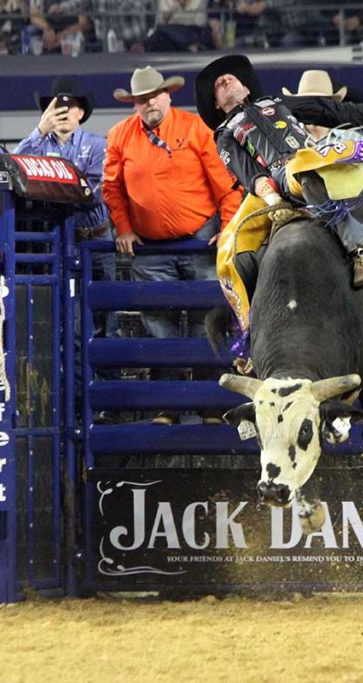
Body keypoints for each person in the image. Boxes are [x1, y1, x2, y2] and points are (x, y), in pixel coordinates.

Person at [103, 66, 242, 424]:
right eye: (142, 99)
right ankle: (169, 404)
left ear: (168, 96)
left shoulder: (195, 128)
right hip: (151, 247)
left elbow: (226, 185)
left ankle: (211, 403)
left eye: (154, 96)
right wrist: (124, 228)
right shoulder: (120, 136)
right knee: (158, 325)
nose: (149, 103)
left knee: (206, 321)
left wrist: (228, 227)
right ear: (134, 104)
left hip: (200, 238)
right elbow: (112, 188)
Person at [195, 55, 363, 287]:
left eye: (230, 78)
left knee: (322, 167)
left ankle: (359, 249)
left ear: (246, 88)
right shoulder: (225, 134)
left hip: (311, 160)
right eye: (219, 84)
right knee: (234, 252)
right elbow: (247, 172)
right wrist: (272, 198)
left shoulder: (277, 104)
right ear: (216, 103)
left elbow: (332, 111)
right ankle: (254, 304)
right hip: (273, 181)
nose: (226, 81)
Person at [13, 76, 117, 337]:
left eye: (70, 107)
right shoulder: (39, 143)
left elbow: (95, 192)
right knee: (67, 307)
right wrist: (39, 130)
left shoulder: (97, 145)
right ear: (47, 113)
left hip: (96, 236)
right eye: (57, 107)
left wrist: (49, 188)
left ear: (81, 112)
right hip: (61, 238)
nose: (63, 112)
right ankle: (75, 358)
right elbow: (13, 169)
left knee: (104, 305)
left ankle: (102, 359)